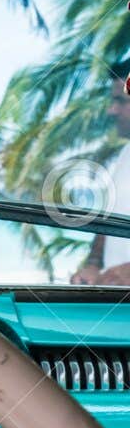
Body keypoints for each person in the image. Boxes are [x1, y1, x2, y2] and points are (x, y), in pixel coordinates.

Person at [72, 78, 130, 284]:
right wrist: (93, 264)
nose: (112, 111)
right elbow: (110, 218)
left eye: (121, 101)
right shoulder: (125, 153)